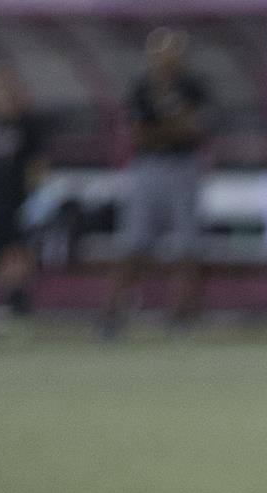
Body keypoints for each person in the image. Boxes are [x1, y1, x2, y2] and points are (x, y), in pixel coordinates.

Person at [101, 27, 208, 336]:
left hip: (183, 165)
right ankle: (111, 315)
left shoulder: (192, 87)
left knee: (187, 246)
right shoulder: (141, 88)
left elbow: (193, 130)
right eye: (160, 53)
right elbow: (139, 133)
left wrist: (162, 128)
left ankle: (182, 318)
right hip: (147, 166)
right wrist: (170, 127)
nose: (165, 60)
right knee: (134, 243)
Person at [0, 72, 48, 320]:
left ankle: (21, 296)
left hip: (20, 196)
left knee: (19, 248)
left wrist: (32, 192)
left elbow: (37, 163)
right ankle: (5, 296)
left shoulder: (28, 126)